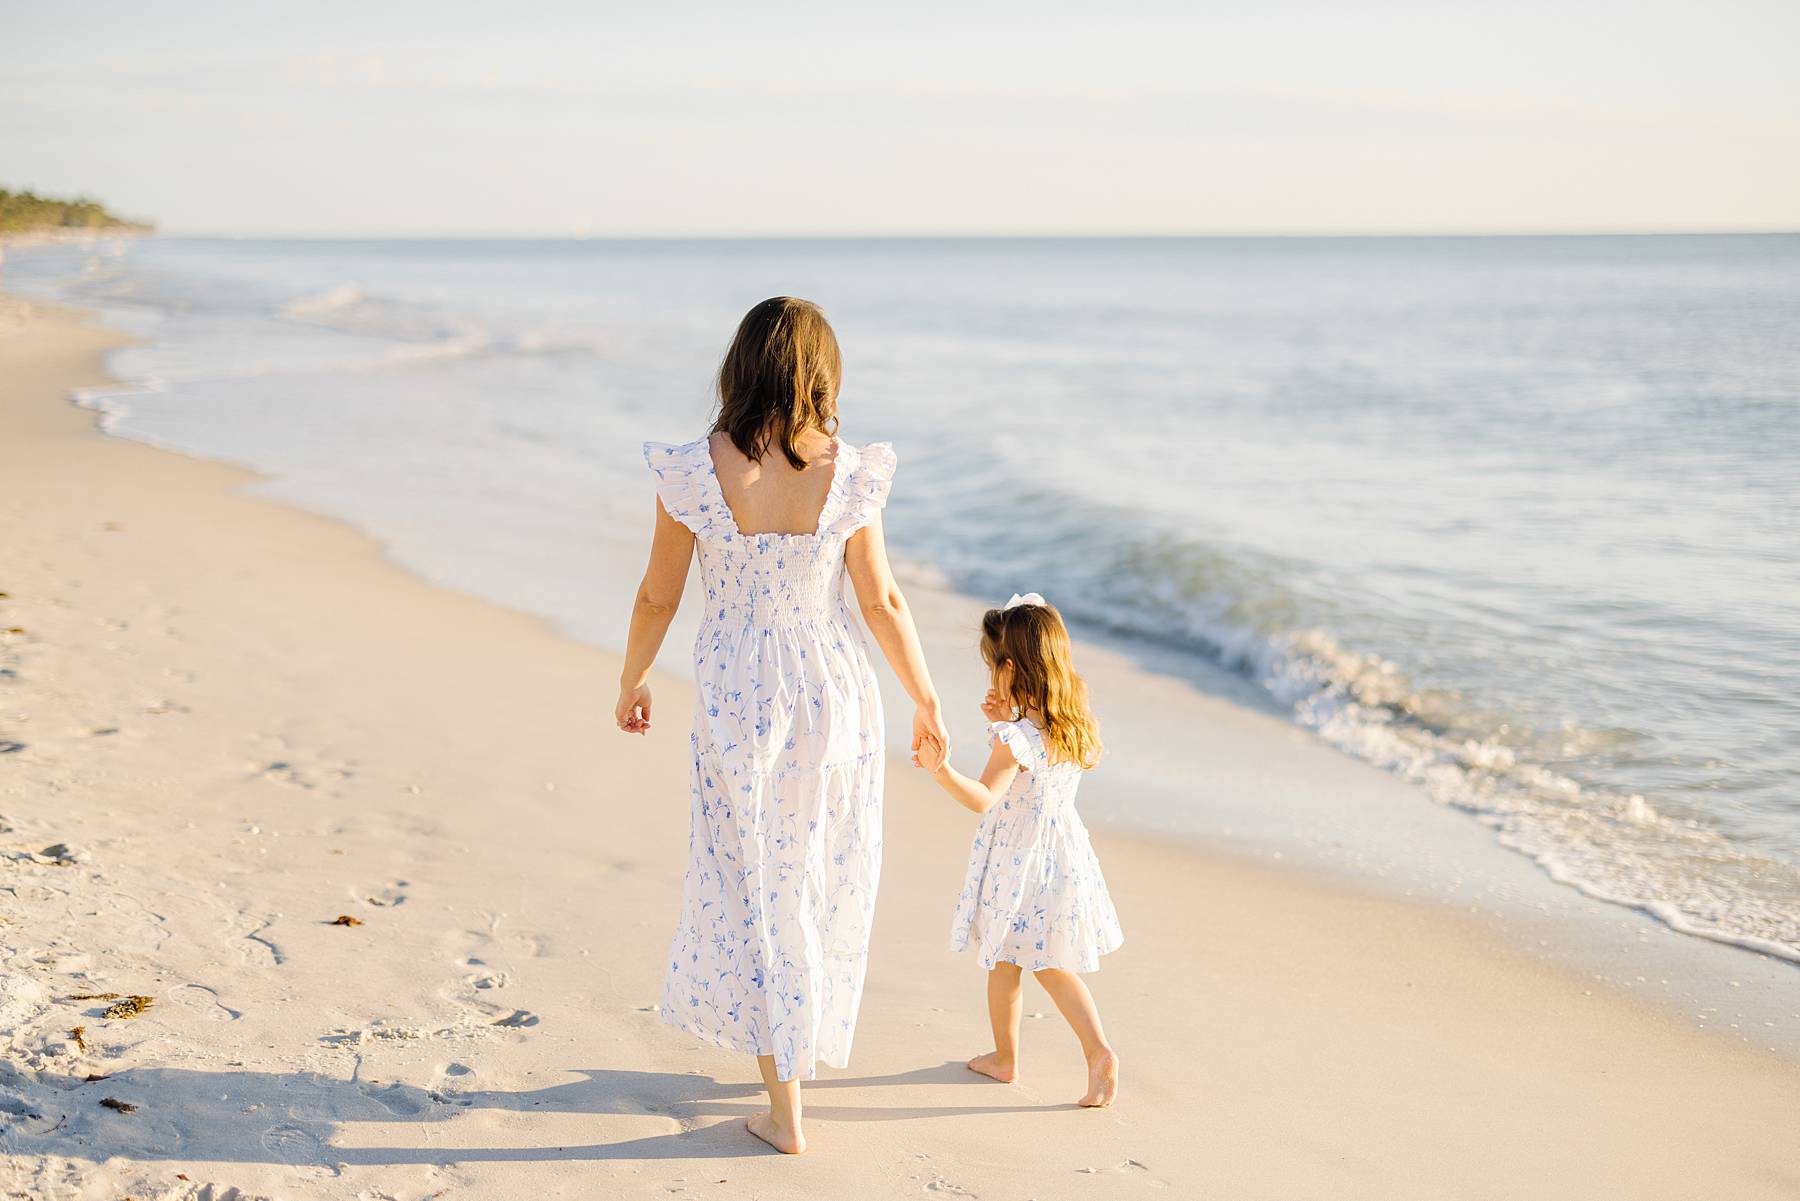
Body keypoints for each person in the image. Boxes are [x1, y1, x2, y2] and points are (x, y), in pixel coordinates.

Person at [615, 296, 946, 1154]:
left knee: (754, 882)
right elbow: (881, 598)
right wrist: (925, 695)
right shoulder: (850, 471)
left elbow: (659, 593)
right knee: (814, 873)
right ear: (821, 374)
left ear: (740, 364)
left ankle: (785, 1105)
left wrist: (634, 676)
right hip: (833, 688)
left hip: (737, 691)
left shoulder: (696, 469)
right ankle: (791, 1061)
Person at [913, 592, 1123, 1107]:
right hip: (1061, 855)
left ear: (1009, 667)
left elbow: (985, 798)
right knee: (1032, 961)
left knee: (1021, 961)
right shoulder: (1070, 719)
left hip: (1018, 860)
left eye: (992, 667)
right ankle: (1046, 1055)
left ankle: (1069, 1054)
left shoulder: (1016, 738)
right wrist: (1007, 715)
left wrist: (940, 770)